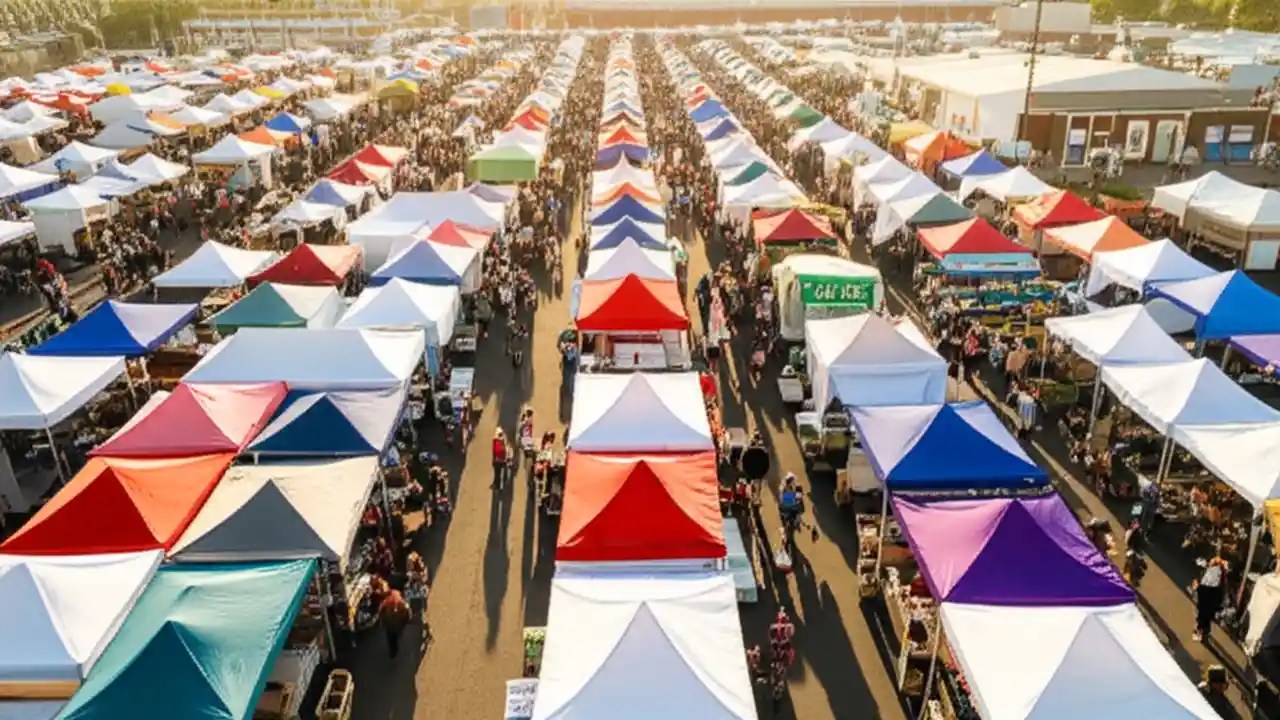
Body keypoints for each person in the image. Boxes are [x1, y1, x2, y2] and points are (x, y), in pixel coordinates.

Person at [1192, 557, 1227, 642]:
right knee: (1204, 614)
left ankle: (1202, 631)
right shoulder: (1216, 568)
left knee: (1203, 613)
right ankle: (1203, 631)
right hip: (1211, 591)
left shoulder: (1217, 569)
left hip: (1210, 591)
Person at [377, 588, 411, 659]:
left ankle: (393, 651)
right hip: (398, 622)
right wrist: (407, 620)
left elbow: (380, 609)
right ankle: (395, 644)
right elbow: (408, 610)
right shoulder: (401, 601)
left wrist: (381, 621)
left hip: (389, 623)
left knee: (390, 638)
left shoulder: (387, 601)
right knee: (397, 634)